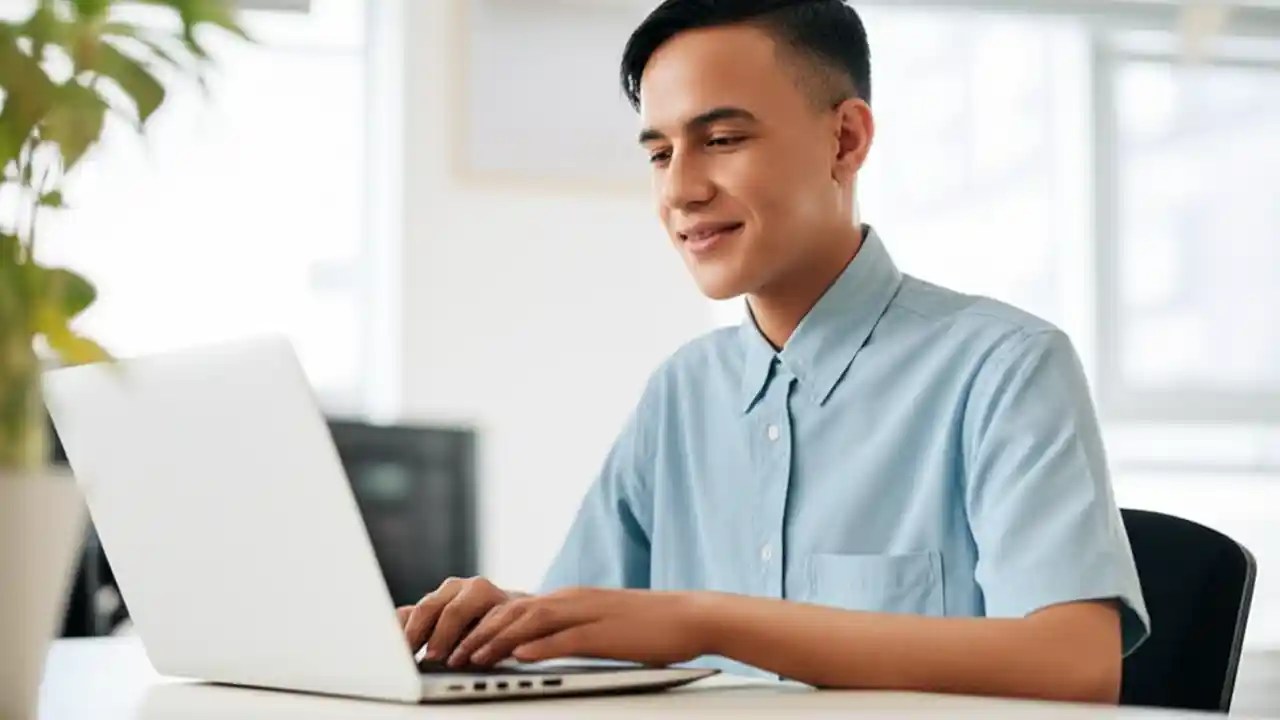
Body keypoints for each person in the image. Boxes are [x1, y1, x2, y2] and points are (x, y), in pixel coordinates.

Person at [397, 0, 1149, 702]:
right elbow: (583, 641)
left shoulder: (1004, 367)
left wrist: (707, 621)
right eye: (660, 153)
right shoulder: (683, 391)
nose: (681, 190)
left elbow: (1074, 665)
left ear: (845, 140)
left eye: (721, 140)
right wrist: (500, 627)